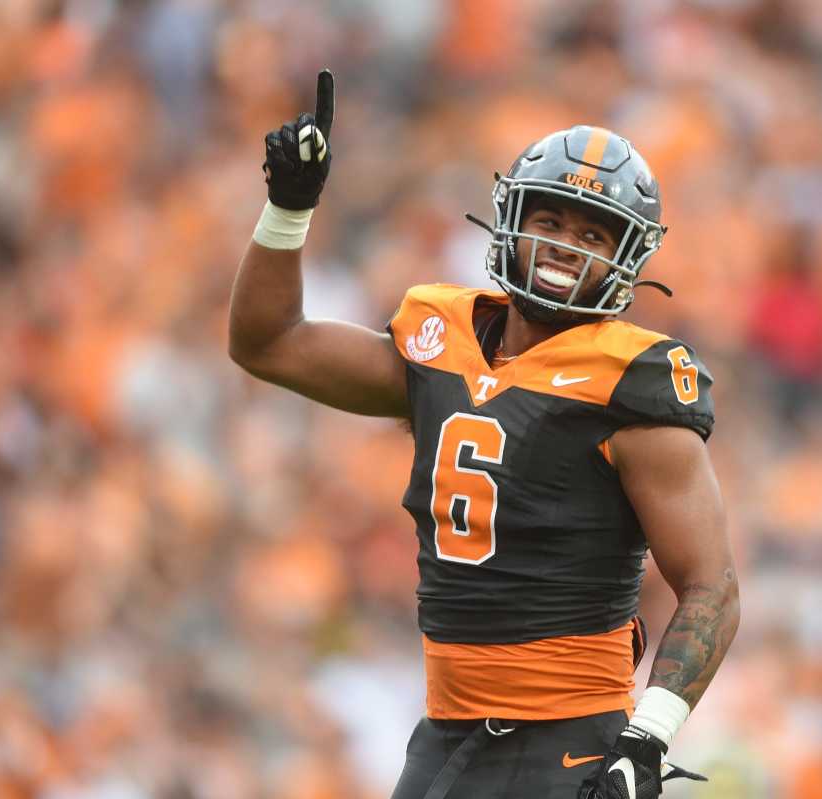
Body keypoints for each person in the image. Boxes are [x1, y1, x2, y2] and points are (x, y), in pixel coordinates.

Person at [228, 70, 740, 799]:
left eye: (593, 234)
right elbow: (269, 343)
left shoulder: (632, 382)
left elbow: (712, 586)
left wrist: (648, 737)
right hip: (448, 732)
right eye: (551, 222)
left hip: (570, 740)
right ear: (512, 220)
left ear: (628, 257)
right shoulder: (444, 340)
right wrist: (289, 208)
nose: (566, 246)